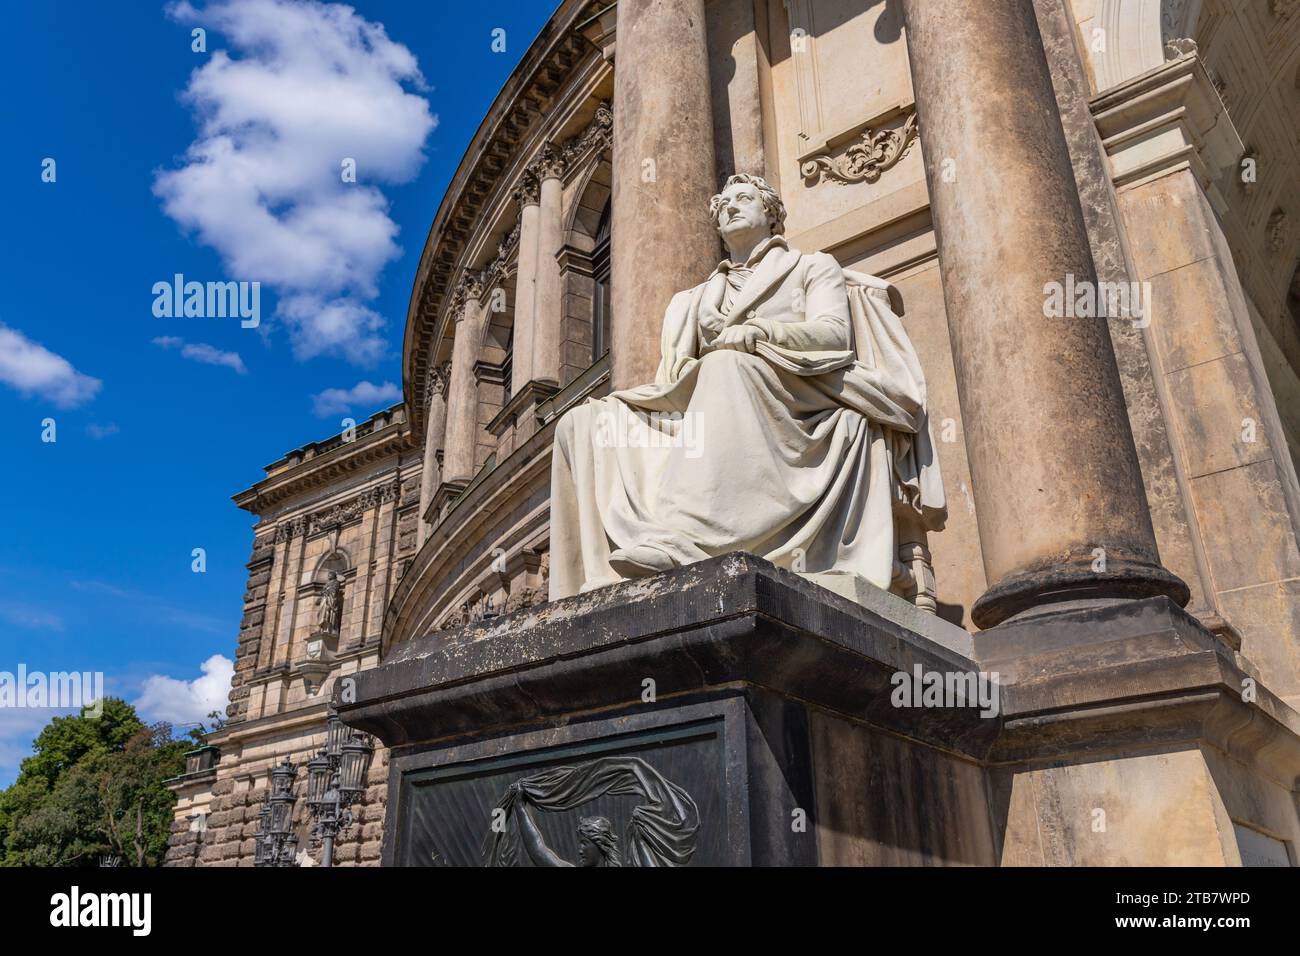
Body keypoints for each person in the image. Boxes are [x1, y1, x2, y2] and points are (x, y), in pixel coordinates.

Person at [548, 174, 945, 599]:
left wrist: (760, 333)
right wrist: (698, 364)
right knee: (583, 421)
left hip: (803, 392)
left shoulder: (811, 266)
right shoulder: (695, 299)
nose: (731, 208)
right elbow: (675, 374)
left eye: (744, 199)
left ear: (771, 215)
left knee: (726, 364)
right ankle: (592, 587)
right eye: (724, 206)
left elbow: (833, 334)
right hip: (711, 401)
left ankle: (685, 538)